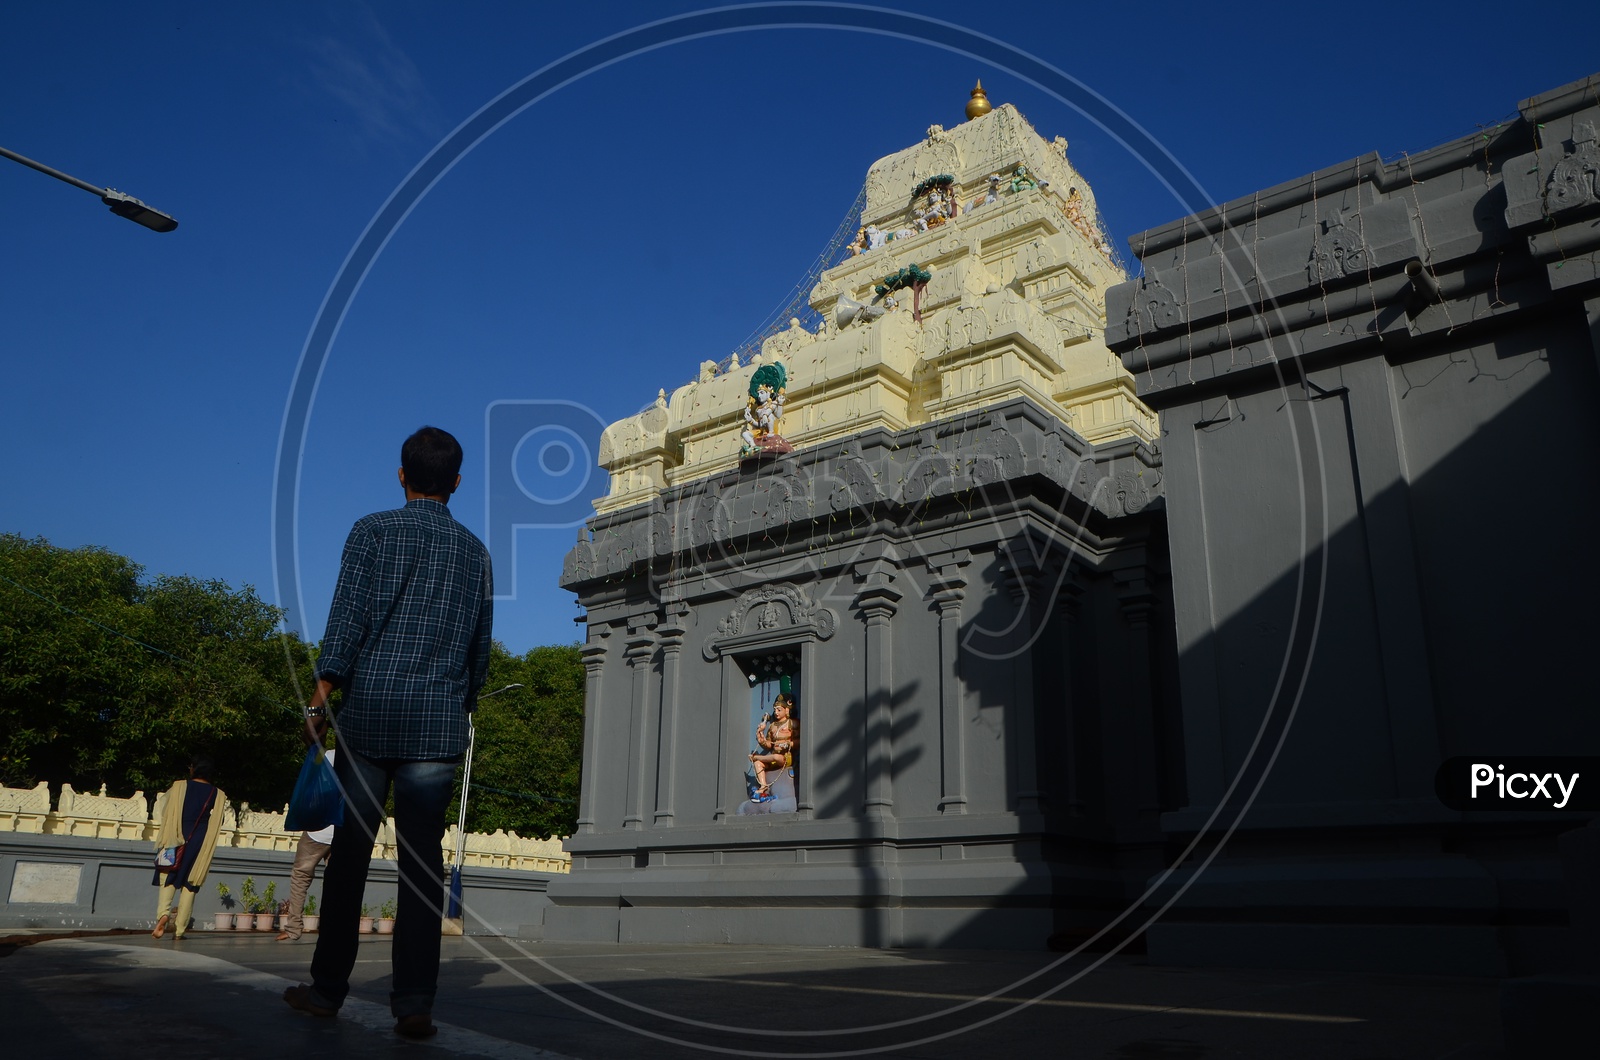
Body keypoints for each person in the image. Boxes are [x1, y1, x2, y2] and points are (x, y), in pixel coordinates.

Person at [282, 426, 493, 1041]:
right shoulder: (476, 553)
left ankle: (326, 990)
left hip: (370, 717)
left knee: (349, 859)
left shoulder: (372, 531)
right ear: (456, 483)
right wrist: (461, 702)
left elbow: (346, 618)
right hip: (436, 726)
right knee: (422, 866)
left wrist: (319, 701)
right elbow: (479, 650)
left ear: (401, 475)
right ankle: (415, 1003)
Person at [150, 755, 226, 941]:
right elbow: (219, 820)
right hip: (200, 841)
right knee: (190, 883)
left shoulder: (179, 786)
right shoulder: (217, 794)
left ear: (194, 769)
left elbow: (163, 807)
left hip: (175, 836)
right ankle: (180, 931)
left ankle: (164, 915)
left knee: (168, 875)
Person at [277, 747, 336, 942]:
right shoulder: (362, 762)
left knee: (300, 877)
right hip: (344, 830)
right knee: (337, 883)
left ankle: (294, 928)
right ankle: (332, 930)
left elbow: (309, 783)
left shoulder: (325, 756)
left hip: (318, 829)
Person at [747, 693, 798, 800]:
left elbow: (800, 741)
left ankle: (756, 756)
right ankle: (763, 785)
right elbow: (769, 745)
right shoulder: (772, 726)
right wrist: (760, 737)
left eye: (779, 710)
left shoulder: (792, 723)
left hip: (785, 757)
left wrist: (789, 744)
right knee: (758, 763)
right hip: (773, 758)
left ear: (787, 710)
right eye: (775, 710)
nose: (776, 712)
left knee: (776, 757)